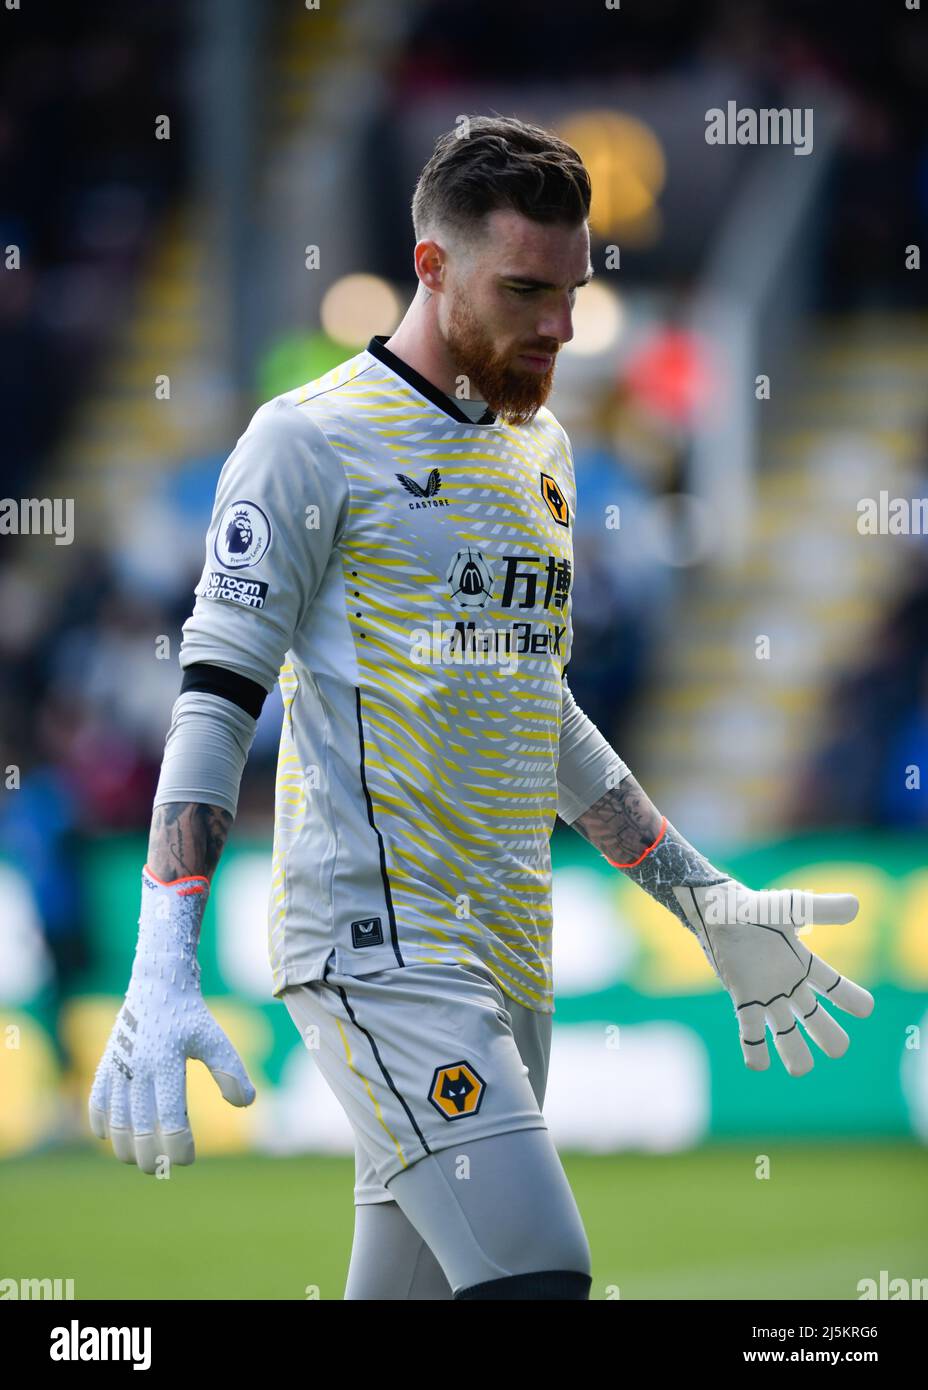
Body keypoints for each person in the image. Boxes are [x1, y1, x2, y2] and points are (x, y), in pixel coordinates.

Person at [88, 116, 874, 1301]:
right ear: (433, 266)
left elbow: (535, 711)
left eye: (572, 291)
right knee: (539, 1278)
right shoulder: (308, 443)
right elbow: (213, 700)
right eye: (526, 289)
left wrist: (702, 900)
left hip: (511, 956)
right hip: (378, 950)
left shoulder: (542, 452)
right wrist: (162, 962)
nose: (559, 326)